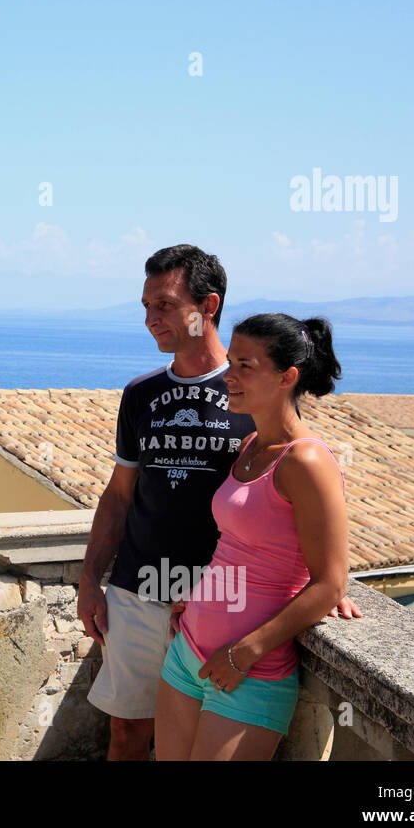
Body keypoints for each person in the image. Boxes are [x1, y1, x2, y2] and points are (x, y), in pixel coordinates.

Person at [77, 245, 358, 761]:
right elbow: (119, 496)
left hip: (224, 609)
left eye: (163, 304)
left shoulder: (254, 402)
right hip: (146, 592)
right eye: (145, 306)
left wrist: (328, 583)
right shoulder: (142, 394)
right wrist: (90, 578)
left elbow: (306, 504)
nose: (149, 319)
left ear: (207, 306)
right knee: (125, 736)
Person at [155, 314, 350, 760]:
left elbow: (330, 582)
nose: (230, 375)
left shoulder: (307, 462)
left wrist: (245, 652)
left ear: (288, 377)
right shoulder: (251, 447)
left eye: (246, 365)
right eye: (231, 362)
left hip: (249, 672)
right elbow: (243, 547)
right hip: (188, 648)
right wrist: (202, 596)